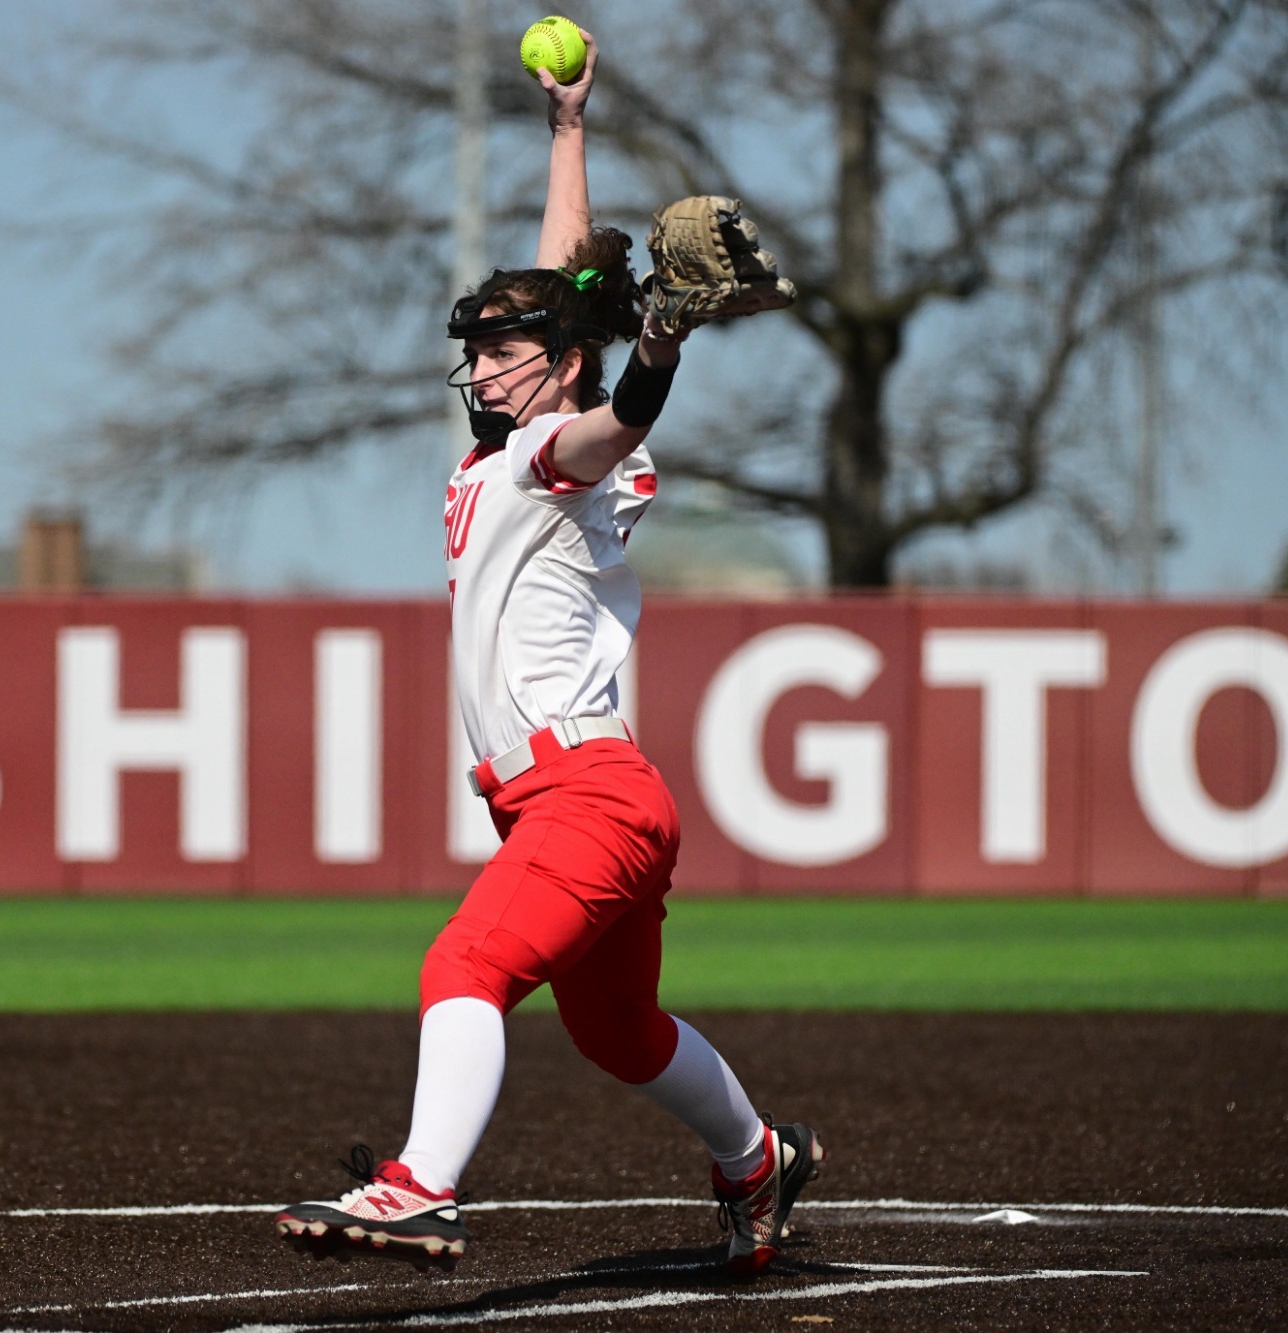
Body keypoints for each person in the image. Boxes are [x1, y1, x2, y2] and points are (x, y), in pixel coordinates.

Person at [276, 30, 821, 1275]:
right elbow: (562, 287)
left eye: (497, 348)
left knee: (461, 960)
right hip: (576, 803)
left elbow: (604, 418)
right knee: (619, 1032)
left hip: (586, 793)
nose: (476, 361)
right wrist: (567, 129)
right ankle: (757, 1161)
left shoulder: (549, 450)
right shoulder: (507, 446)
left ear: (560, 368)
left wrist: (659, 357)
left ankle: (420, 1187)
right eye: (472, 343)